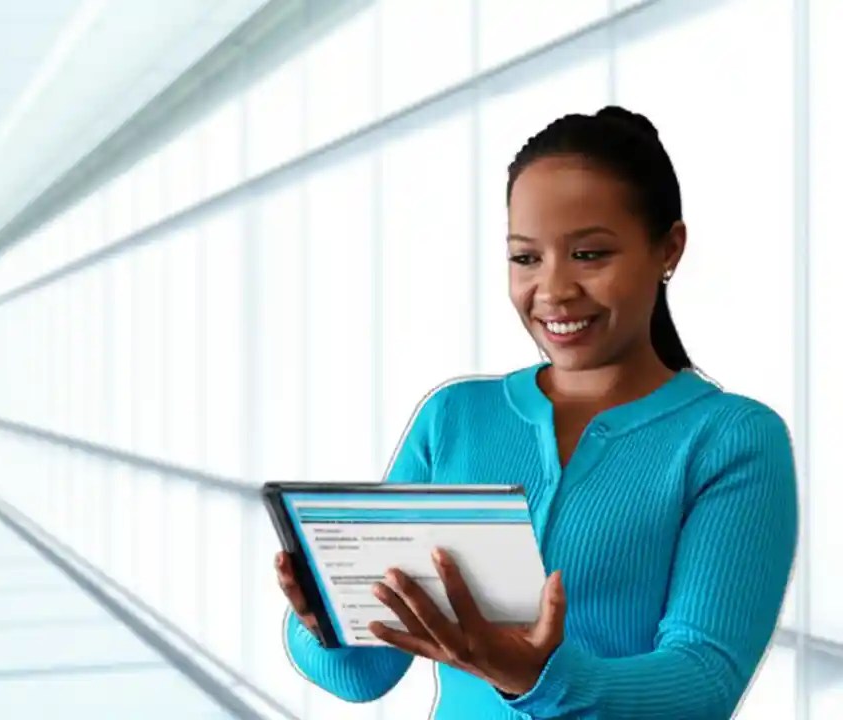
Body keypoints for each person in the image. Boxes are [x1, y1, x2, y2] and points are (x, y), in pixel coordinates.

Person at [275, 106, 798, 719]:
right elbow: (365, 674)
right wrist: (319, 621)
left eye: (590, 254)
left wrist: (537, 678)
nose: (552, 291)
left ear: (669, 249)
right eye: (526, 259)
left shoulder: (731, 440)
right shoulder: (454, 419)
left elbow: (703, 685)